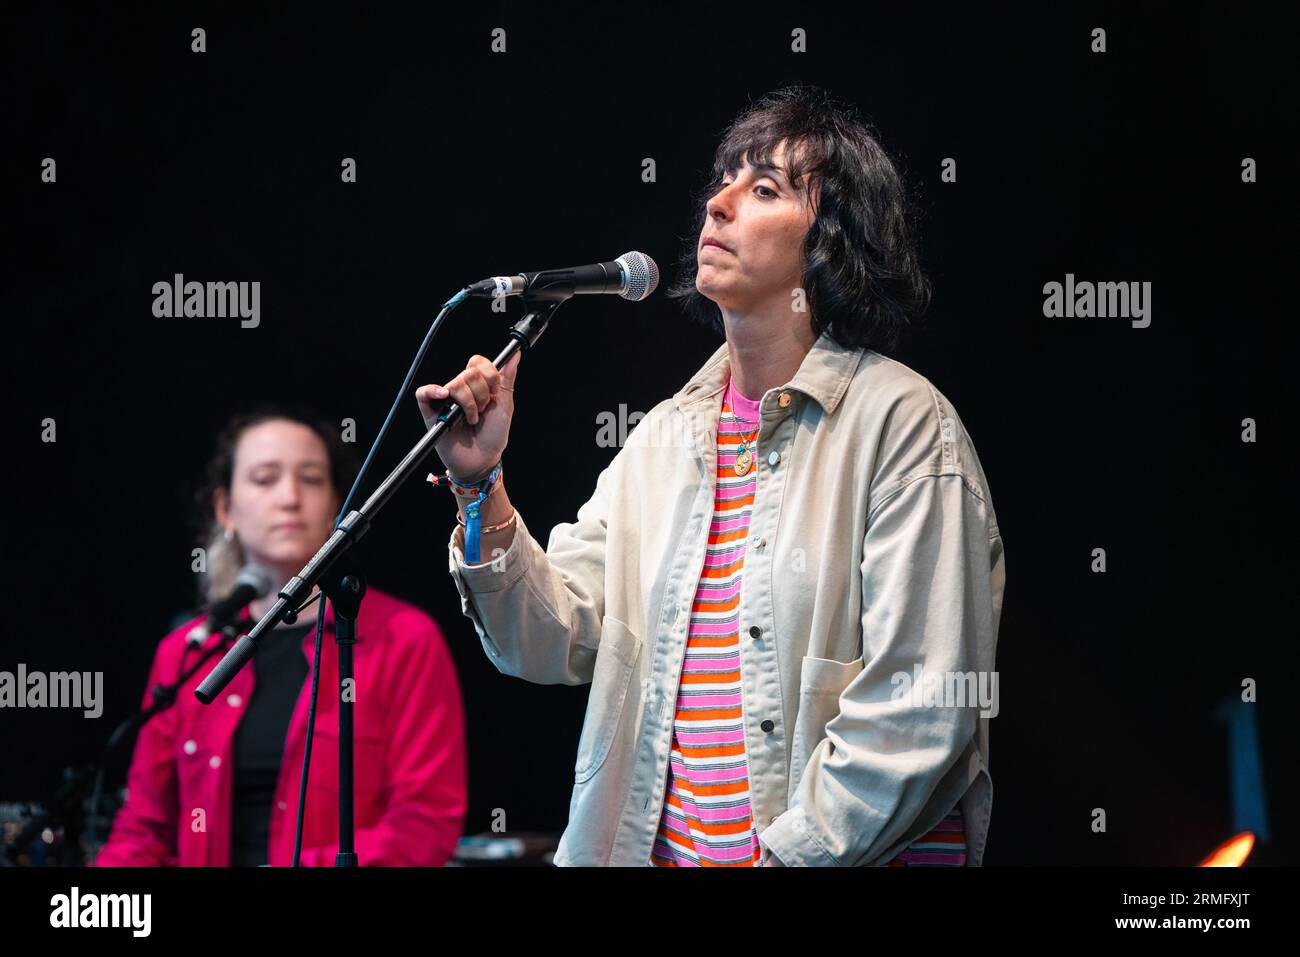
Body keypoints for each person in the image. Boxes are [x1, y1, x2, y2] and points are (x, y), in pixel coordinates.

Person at [418, 84, 1004, 867]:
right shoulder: (664, 438)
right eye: (722, 181)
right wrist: (479, 484)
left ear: (831, 240)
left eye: (763, 188)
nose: (718, 204)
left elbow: (918, 707)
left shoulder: (901, 423)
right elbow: (549, 640)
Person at [95, 407, 467, 866]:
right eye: (265, 479)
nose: (290, 498)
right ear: (225, 509)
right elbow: (143, 829)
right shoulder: (186, 651)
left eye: (311, 479)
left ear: (335, 507)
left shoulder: (405, 640)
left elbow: (425, 824)